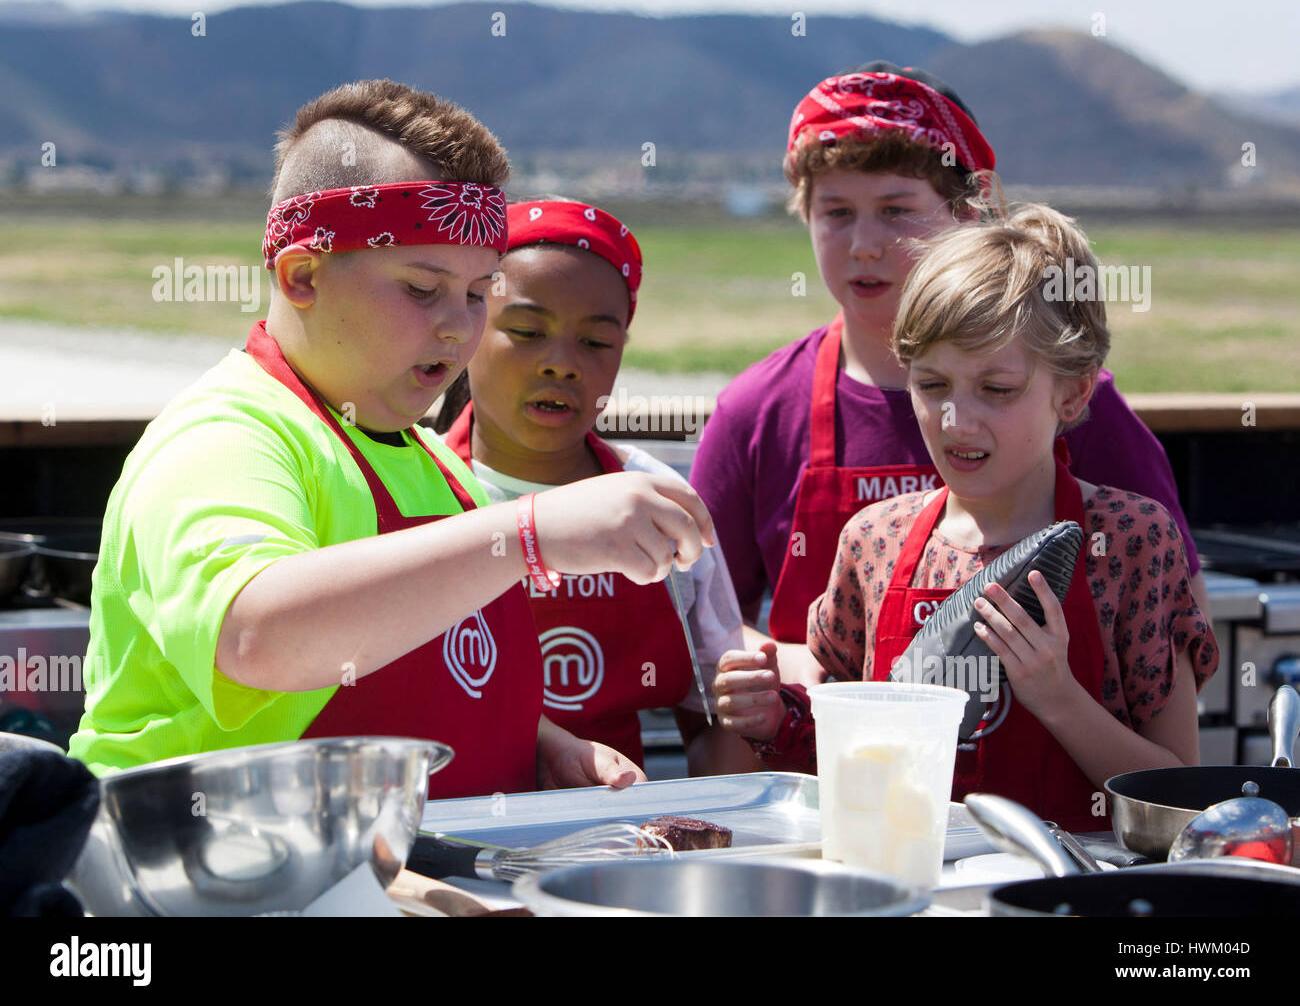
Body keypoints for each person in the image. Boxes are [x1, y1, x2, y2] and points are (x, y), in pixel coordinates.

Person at [68, 80, 715, 798]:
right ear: (302, 273)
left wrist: (542, 743)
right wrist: (529, 533)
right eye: (421, 287)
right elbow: (257, 635)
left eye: (477, 293)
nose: (457, 327)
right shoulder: (226, 436)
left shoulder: (433, 464)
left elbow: (419, 660)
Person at [689, 63, 1210, 695]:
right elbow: (707, 615)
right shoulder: (755, 411)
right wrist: (799, 667)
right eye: (836, 213)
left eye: (896, 210)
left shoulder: (1076, 403)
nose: (864, 244)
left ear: (971, 213)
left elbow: (1177, 614)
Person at [715, 204, 1219, 830]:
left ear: (1074, 392)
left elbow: (1178, 796)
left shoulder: (1132, 542)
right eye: (932, 386)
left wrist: (1058, 697)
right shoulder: (873, 542)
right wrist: (777, 721)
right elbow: (846, 758)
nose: (957, 419)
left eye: (997, 389)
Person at [436, 199, 762, 775]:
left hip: (624, 828)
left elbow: (715, 720)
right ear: (469, 329)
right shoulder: (409, 488)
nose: (561, 364)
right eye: (528, 331)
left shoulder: (657, 498)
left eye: (595, 343)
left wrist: (748, 723)